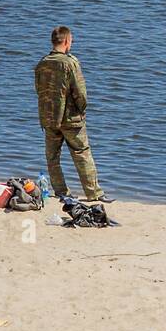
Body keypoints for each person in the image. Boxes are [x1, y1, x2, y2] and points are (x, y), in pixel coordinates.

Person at [34, 26, 114, 204]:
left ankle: (61, 191)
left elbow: (39, 90)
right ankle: (94, 193)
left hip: (49, 117)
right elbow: (81, 93)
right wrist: (81, 110)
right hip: (71, 118)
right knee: (82, 153)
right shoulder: (70, 63)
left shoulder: (42, 63)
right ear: (67, 41)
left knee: (52, 156)